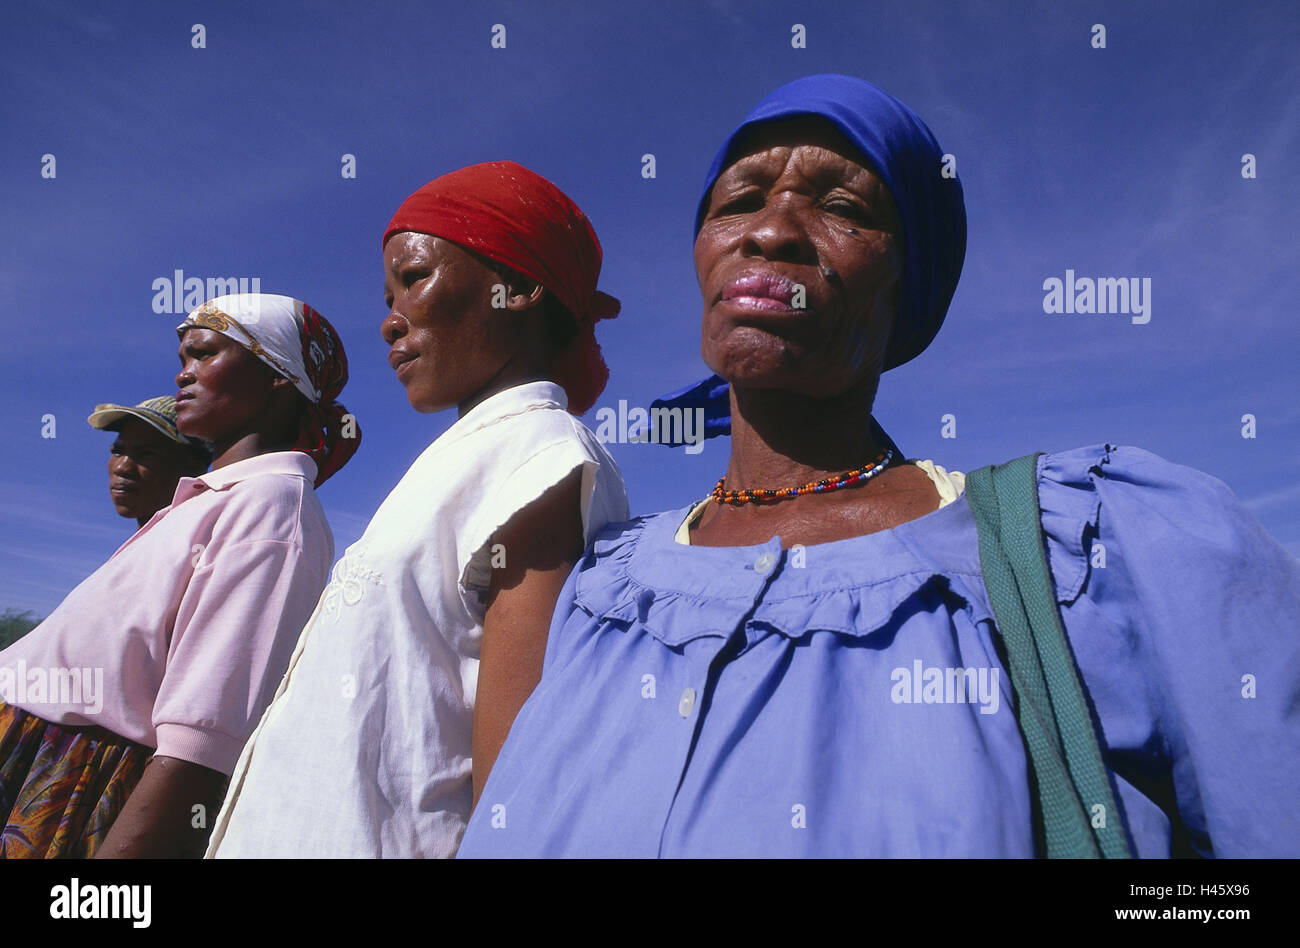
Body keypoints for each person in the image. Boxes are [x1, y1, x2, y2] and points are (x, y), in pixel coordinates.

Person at [457, 75, 1300, 858]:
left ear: (907, 282)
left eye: (842, 207)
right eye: (740, 201)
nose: (772, 229)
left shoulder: (1091, 547)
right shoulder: (596, 589)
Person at [206, 161, 629, 858]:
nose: (388, 321)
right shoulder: (464, 457)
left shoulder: (540, 453)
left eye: (415, 278)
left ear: (517, 288)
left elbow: (513, 797)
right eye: (387, 292)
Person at [0, 292, 359, 857]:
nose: (182, 374)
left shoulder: (271, 505)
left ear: (278, 376)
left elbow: (203, 743)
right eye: (183, 357)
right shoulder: (210, 500)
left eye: (204, 355)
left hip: (69, 778)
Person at [88, 395, 213, 527]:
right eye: (117, 452)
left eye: (146, 454)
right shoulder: (141, 545)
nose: (122, 468)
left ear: (195, 466)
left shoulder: (209, 539)